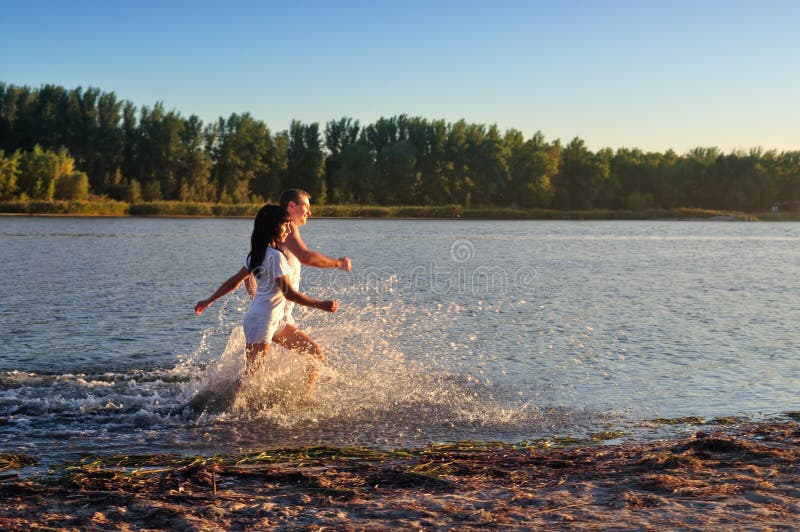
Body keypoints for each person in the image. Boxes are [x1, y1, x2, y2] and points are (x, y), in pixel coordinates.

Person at [195, 205, 338, 391]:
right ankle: (222, 405)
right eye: (285, 225)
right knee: (252, 376)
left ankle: (305, 399)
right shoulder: (275, 257)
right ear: (272, 227)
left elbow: (234, 282)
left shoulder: (258, 253)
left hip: (271, 320)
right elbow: (289, 293)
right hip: (263, 320)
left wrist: (209, 300)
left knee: (314, 353)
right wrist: (322, 305)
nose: (288, 230)